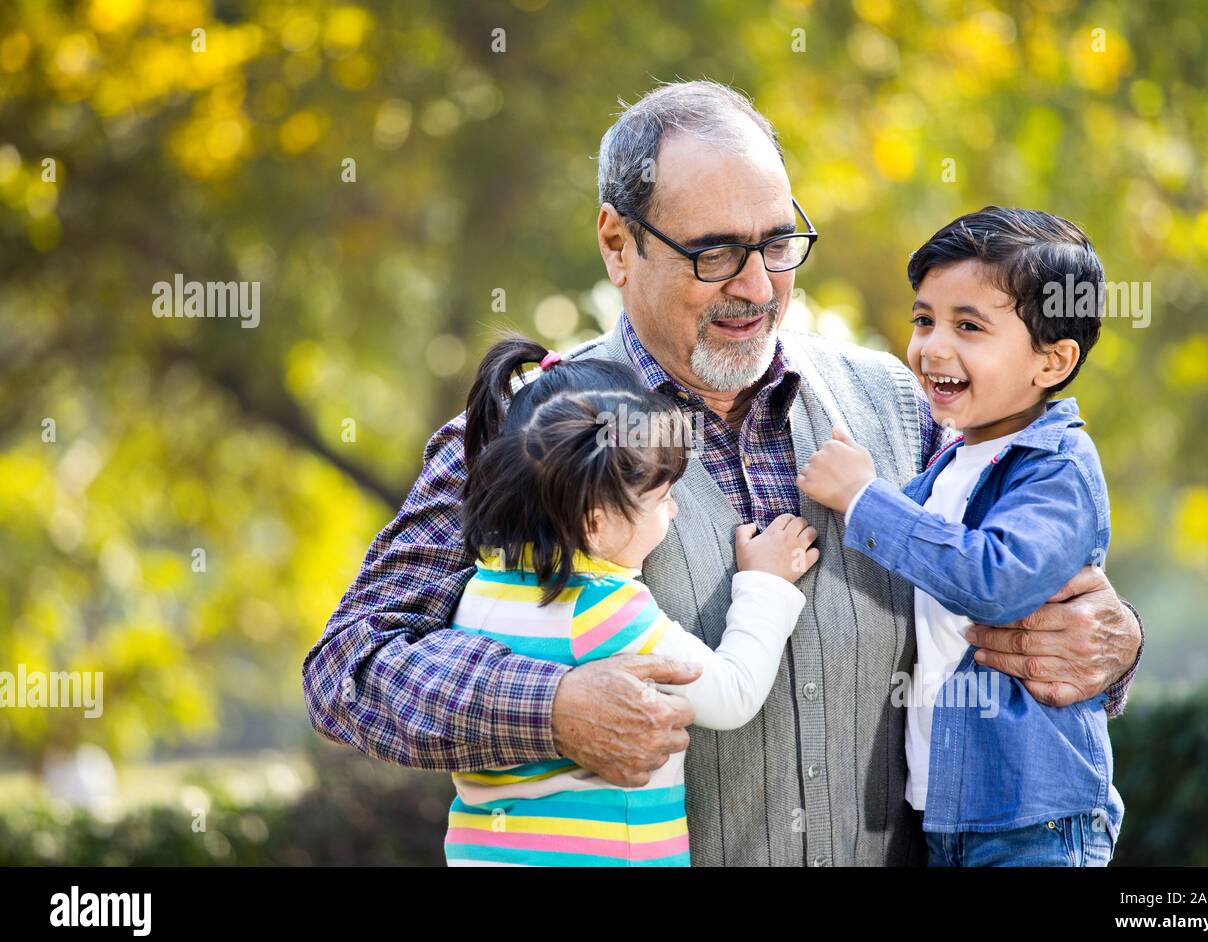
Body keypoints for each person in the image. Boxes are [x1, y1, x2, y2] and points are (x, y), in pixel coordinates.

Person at [303, 80, 1145, 866]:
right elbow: (350, 666)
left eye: (778, 243)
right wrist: (554, 710)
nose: (757, 286)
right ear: (617, 244)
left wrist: (1116, 647)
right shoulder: (536, 432)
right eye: (714, 253)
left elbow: (1004, 584)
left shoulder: (900, 403)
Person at [798, 207, 1123, 866]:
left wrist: (863, 497)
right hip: (941, 810)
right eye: (925, 320)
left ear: (1052, 361)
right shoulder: (950, 459)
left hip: (1030, 816)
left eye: (968, 326)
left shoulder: (1056, 467)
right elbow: (897, 559)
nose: (932, 348)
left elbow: (992, 582)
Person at [443, 334, 818, 865]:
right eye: (662, 499)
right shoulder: (607, 609)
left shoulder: (480, 589)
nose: (674, 513)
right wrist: (767, 583)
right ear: (596, 523)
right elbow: (732, 696)